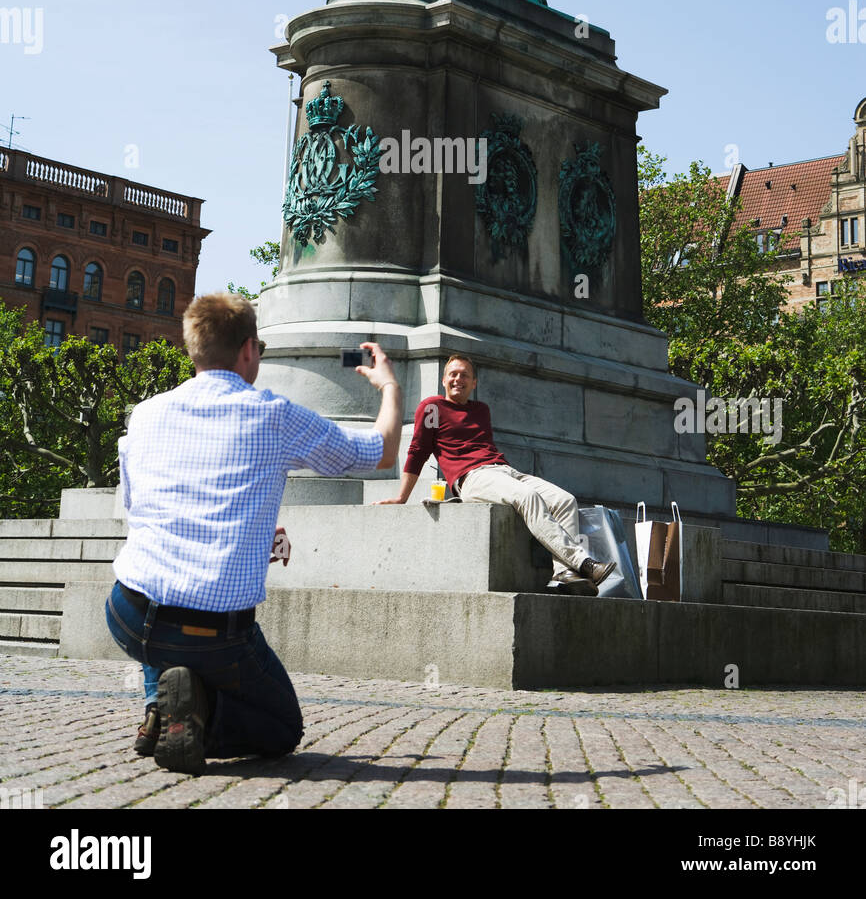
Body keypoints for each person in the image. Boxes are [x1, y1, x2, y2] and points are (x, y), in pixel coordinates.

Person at [105, 293, 401, 774]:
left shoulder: (145, 414)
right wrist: (389, 387)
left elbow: (146, 515)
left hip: (126, 612)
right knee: (282, 726)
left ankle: (159, 705)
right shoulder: (273, 414)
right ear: (248, 350)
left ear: (193, 349)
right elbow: (381, 452)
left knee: (163, 616)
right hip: (212, 630)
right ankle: (196, 719)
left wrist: (250, 533)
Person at [374, 354, 614, 592]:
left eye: (465, 375)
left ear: (474, 383)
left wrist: (504, 473)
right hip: (470, 476)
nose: (458, 379)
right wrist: (402, 497)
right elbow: (418, 451)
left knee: (564, 500)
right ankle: (584, 563)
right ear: (443, 380)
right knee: (527, 496)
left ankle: (564, 573)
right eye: (453, 374)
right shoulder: (432, 408)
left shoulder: (481, 410)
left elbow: (485, 451)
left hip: (504, 470)